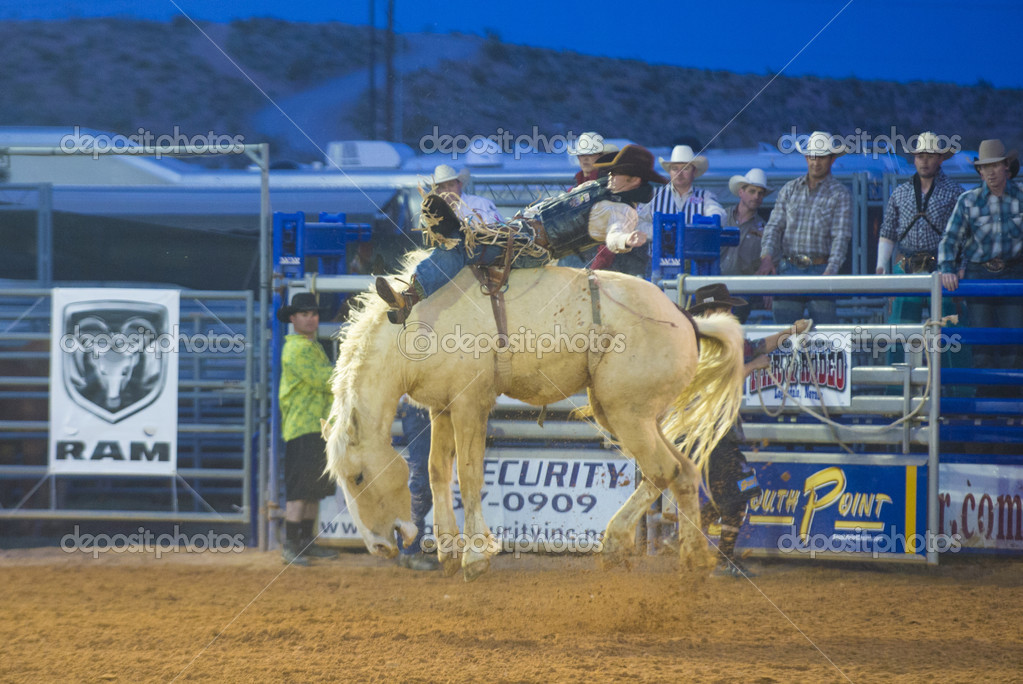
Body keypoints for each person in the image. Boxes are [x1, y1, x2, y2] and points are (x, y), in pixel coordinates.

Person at [376, 145, 665, 323]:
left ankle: (410, 297)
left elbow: (615, 234)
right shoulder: (601, 189)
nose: (611, 174)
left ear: (635, 179)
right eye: (612, 170)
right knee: (471, 237)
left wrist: (626, 240)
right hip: (519, 230)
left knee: (461, 247)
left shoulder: (621, 212)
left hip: (532, 247)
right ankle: (457, 229)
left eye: (619, 171)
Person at [687, 283, 812, 578]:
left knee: (739, 492)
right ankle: (720, 558)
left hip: (717, 432)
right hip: (712, 432)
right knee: (738, 494)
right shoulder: (706, 343)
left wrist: (790, 332)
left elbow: (757, 346)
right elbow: (720, 383)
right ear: (712, 311)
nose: (731, 312)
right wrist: (755, 365)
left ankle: (689, 537)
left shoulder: (717, 339)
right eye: (726, 308)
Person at [938, 139, 1023, 399]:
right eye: (986, 167)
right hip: (979, 274)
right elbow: (950, 239)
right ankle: (985, 407)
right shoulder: (968, 201)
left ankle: (1012, 409)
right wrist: (947, 268)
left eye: (996, 165)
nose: (992, 172)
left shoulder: (1021, 198)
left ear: (1006, 167)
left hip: (1013, 273)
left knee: (1015, 342)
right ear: (980, 172)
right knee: (981, 344)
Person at [756, 131, 852, 324]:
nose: (815, 162)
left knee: (824, 336)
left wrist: (831, 270)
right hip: (789, 266)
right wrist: (766, 255)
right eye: (811, 157)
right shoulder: (790, 189)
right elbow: (774, 225)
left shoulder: (840, 194)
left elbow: (841, 236)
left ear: (831, 159)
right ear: (806, 158)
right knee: (785, 333)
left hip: (821, 268)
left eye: (821, 157)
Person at [277, 292, 339, 566]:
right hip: (304, 426)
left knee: (313, 487)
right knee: (301, 489)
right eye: (304, 314)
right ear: (293, 318)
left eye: (313, 314)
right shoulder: (298, 349)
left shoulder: (307, 346)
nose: (311, 319)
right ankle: (292, 545)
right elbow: (323, 380)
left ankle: (304, 543)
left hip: (315, 426)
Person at [876, 132, 964, 323]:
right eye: (920, 156)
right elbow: (888, 230)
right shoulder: (900, 193)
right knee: (899, 329)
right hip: (907, 264)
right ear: (914, 160)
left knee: (949, 326)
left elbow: (965, 234)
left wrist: (961, 266)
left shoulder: (955, 192)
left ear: (940, 159)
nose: (924, 161)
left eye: (930, 156)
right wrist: (881, 265)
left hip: (944, 268)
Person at [720, 168, 773, 322]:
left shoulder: (765, 230)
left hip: (743, 289)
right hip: (716, 285)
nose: (756, 196)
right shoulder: (721, 217)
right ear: (741, 192)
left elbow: (769, 263)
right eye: (752, 191)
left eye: (760, 193)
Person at [395, 397, 440, 571]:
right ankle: (409, 551)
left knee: (426, 481)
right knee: (422, 481)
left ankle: (409, 549)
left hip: (428, 407)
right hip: (421, 408)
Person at [432, 164, 502, 223]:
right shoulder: (434, 211)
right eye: (443, 187)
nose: (448, 190)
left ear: (460, 184)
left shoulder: (481, 203)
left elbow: (498, 229)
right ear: (438, 191)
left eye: (451, 185)